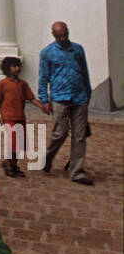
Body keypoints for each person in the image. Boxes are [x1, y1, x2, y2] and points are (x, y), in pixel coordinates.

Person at [37, 22, 93, 185]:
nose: (63, 38)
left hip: (79, 97)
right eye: (59, 36)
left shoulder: (78, 49)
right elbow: (43, 77)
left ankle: (77, 172)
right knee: (60, 133)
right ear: (54, 35)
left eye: (65, 35)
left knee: (79, 136)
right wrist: (44, 100)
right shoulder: (47, 53)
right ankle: (47, 159)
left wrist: (88, 93)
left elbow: (84, 72)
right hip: (59, 98)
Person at [0, 56, 46, 178]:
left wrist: (42, 106)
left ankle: (13, 164)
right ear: (7, 68)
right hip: (8, 117)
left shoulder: (23, 84)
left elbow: (31, 98)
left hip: (20, 117)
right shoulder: (2, 84)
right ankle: (9, 162)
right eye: (14, 66)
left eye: (18, 66)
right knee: (13, 142)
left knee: (20, 143)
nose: (17, 68)